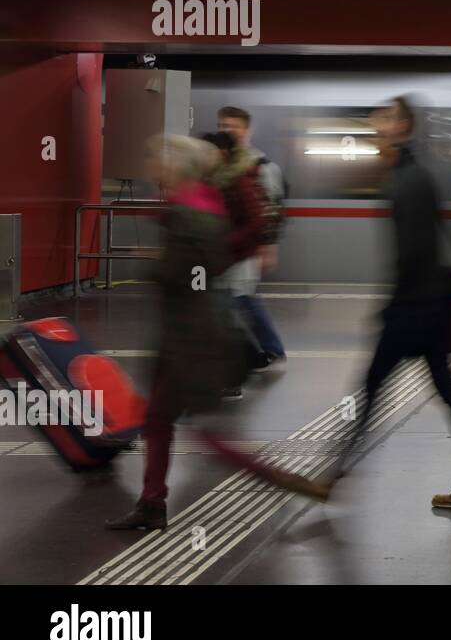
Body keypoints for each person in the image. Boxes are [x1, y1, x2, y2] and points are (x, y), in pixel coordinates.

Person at [107, 136, 324, 531]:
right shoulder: (201, 208)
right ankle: (152, 502)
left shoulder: (187, 216)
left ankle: (279, 479)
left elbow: (185, 277)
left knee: (204, 434)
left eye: (157, 157)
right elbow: (208, 269)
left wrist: (156, 264)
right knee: (163, 421)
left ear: (176, 166)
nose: (152, 163)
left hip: (189, 343)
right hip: (191, 337)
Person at [335, 97, 451, 509]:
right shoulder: (419, 172)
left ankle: (336, 474)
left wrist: (393, 307)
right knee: (447, 389)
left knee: (371, 388)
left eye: (382, 127)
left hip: (415, 307)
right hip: (432, 302)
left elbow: (414, 252)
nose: (376, 137)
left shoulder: (407, 179)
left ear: (403, 126)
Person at [216, 106, 288, 368]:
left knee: (238, 295)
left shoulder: (261, 165)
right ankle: (269, 348)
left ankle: (257, 352)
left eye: (232, 126)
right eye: (223, 126)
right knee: (240, 295)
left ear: (247, 129)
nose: (226, 131)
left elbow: (272, 208)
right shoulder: (221, 161)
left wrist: (268, 246)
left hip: (246, 245)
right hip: (225, 245)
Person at [204, 130, 271, 399]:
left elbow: (256, 221)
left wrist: (227, 242)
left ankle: (237, 372)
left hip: (234, 260)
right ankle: (252, 358)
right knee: (222, 316)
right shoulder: (220, 179)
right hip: (225, 259)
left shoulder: (237, 181)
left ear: (220, 154)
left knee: (221, 317)